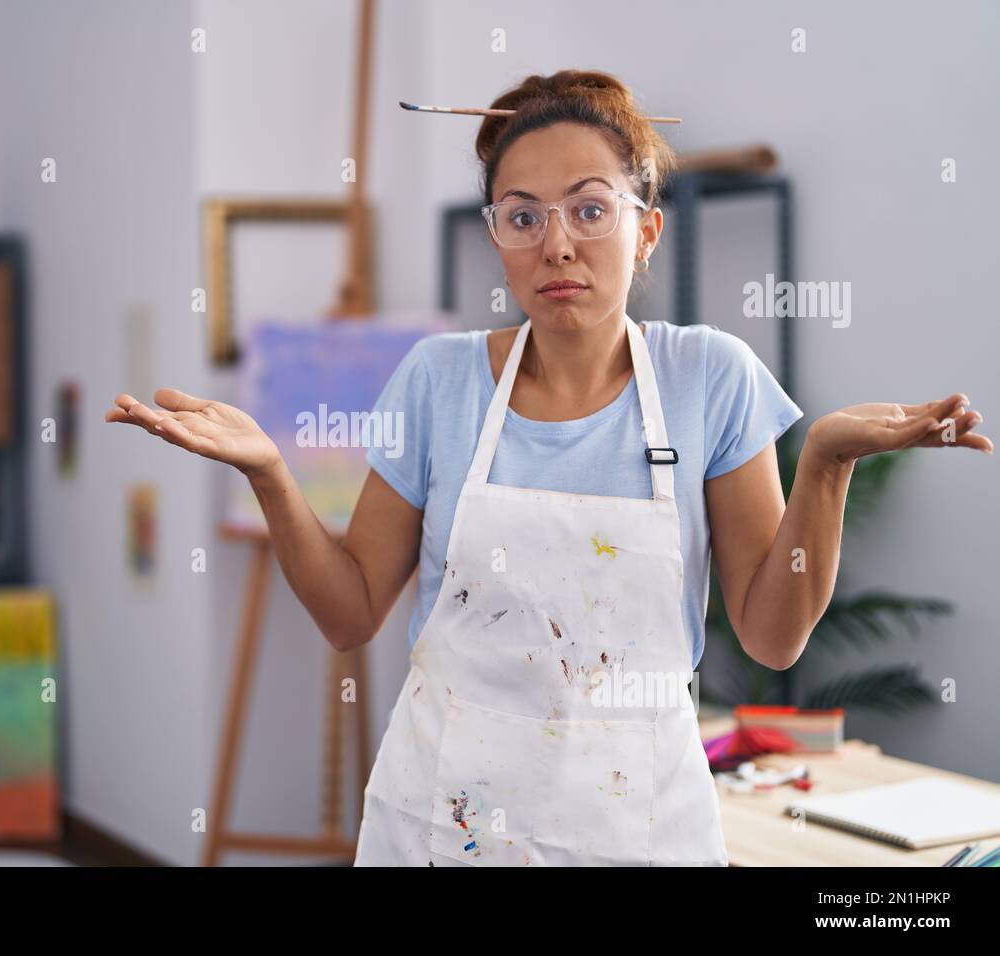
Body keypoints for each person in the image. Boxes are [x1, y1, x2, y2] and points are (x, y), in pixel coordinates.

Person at [106, 70, 991, 866]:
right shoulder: (438, 380)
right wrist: (270, 474)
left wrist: (826, 467)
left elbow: (770, 637)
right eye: (522, 215)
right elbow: (347, 615)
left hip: (638, 830)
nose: (556, 244)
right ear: (498, 235)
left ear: (645, 231)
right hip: (442, 829)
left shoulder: (708, 377)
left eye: (589, 209)